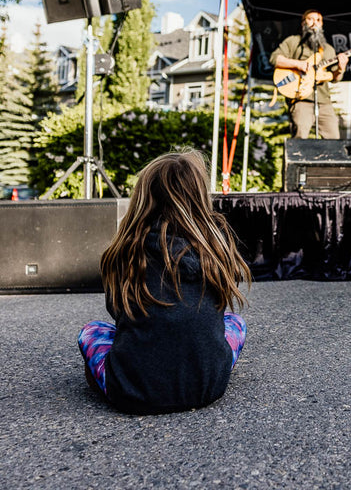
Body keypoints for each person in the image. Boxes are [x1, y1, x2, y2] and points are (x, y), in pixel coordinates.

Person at [77, 149, 252, 414]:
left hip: (132, 392)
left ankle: (116, 380)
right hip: (209, 387)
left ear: (142, 200)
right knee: (235, 324)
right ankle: (198, 367)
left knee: (91, 332)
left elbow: (118, 314)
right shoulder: (215, 248)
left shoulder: (126, 251)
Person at [270, 9, 349, 139]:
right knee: (300, 137)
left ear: (322, 24)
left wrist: (341, 68)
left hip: (324, 101)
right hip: (301, 100)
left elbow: (335, 78)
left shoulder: (328, 49)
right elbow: (275, 59)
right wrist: (298, 64)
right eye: (310, 19)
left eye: (318, 20)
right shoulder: (293, 42)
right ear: (303, 23)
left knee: (333, 138)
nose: (314, 23)